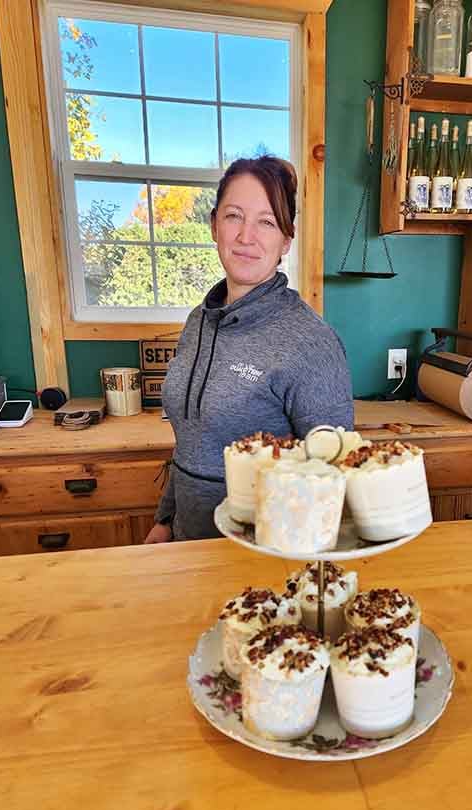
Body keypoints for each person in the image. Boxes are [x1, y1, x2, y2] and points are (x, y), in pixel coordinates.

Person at [145, 156, 353, 543]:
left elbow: (334, 475)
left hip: (262, 556)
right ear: (213, 225)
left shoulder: (311, 343)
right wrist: (165, 519)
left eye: (267, 222)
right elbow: (192, 439)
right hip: (185, 544)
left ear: (285, 241)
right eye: (234, 216)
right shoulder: (198, 323)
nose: (246, 236)